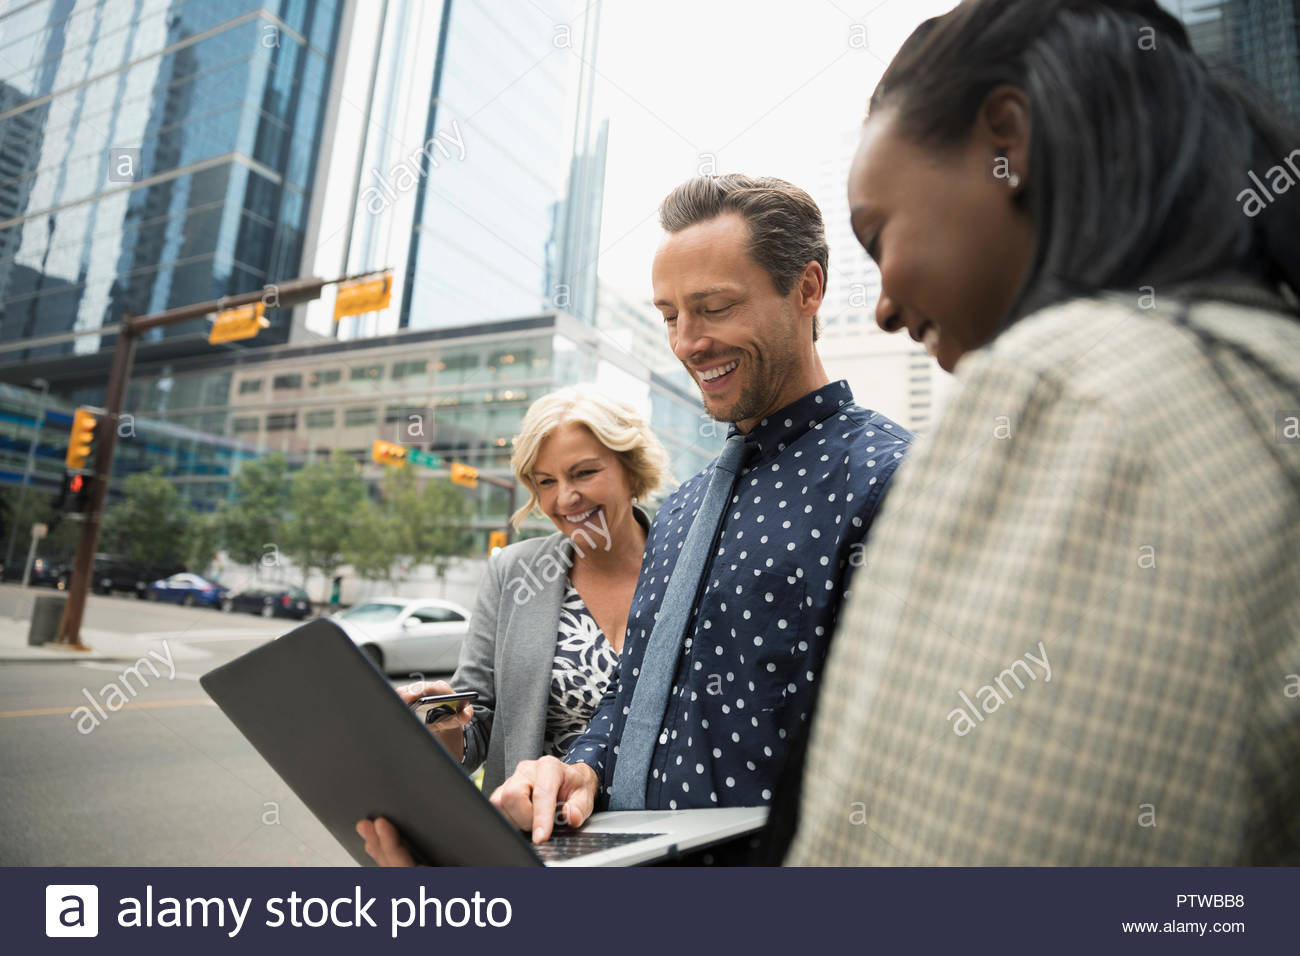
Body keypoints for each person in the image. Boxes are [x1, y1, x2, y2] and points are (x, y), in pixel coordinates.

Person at [787, 0, 1300, 865]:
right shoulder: (1258, 366)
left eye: (879, 236)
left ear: (1007, 145)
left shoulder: (1070, 396)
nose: (878, 308)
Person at [489, 174, 913, 851]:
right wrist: (578, 769)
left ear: (807, 289)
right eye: (669, 315)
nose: (686, 343)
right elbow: (628, 702)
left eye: (713, 307)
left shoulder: (892, 481)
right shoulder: (682, 511)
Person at [357, 385, 670, 865]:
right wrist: (442, 721)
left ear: (632, 470)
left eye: (584, 472)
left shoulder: (684, 567)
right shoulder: (514, 572)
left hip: (664, 836)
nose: (565, 498)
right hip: (537, 844)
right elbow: (476, 727)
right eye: (545, 482)